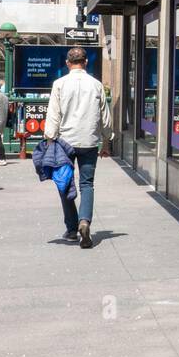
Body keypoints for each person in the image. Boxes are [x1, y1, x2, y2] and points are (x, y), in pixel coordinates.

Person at [44, 47, 111, 249]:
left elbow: (53, 114)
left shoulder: (59, 84)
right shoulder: (96, 85)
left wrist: (49, 140)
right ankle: (85, 221)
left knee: (64, 183)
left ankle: (72, 229)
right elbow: (104, 117)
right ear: (86, 62)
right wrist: (107, 141)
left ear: (67, 63)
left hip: (65, 141)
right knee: (87, 184)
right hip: (89, 141)